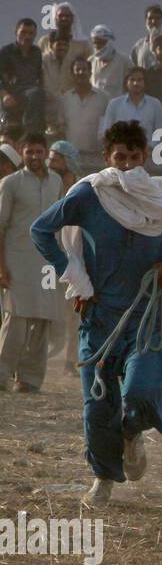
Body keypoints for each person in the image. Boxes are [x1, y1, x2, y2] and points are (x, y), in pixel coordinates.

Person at [30, 121, 162, 506]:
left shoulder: (160, 196)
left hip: (145, 317)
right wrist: (75, 278)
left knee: (140, 391)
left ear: (145, 158)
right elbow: (41, 230)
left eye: (134, 157)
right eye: (119, 157)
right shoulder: (90, 194)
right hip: (99, 316)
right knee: (98, 405)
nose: (126, 165)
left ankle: (132, 434)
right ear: (107, 158)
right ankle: (102, 479)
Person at [0, 134, 66, 391]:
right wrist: (2, 267)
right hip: (17, 260)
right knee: (15, 320)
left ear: (46, 153)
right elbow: (1, 229)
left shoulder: (57, 182)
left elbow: (60, 224)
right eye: (30, 152)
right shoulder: (10, 184)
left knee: (42, 320)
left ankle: (29, 379)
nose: (35, 157)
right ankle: (2, 375)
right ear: (21, 152)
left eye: (40, 152)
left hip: (47, 263)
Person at [0, 18, 45, 133]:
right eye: (23, 32)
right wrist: (4, 95)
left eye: (31, 33)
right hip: (11, 96)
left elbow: (40, 76)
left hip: (31, 97)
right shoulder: (5, 52)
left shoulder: (37, 52)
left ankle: (30, 132)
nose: (27, 36)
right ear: (16, 33)